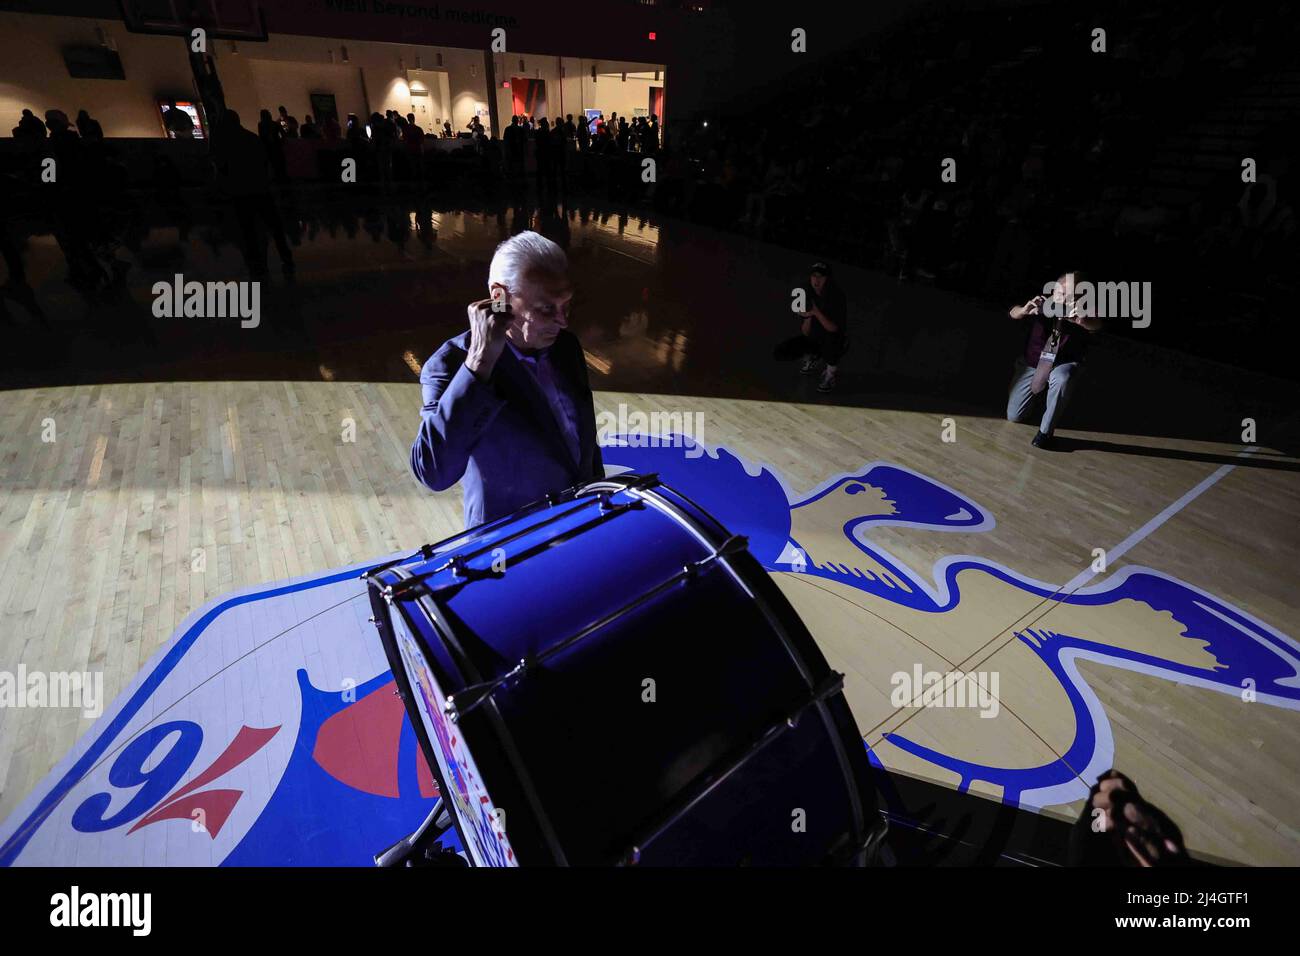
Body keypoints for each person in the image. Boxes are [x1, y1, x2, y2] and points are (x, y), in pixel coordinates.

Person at [410, 231, 603, 528]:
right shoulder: (451, 365)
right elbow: (434, 472)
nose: (563, 320)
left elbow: (582, 440)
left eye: (566, 305)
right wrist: (478, 364)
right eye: (547, 308)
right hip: (511, 543)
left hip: (580, 523)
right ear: (499, 296)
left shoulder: (565, 346)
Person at [1006, 270, 1101, 449]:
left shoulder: (1083, 309)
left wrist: (1082, 321)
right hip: (1033, 363)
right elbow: (1012, 312)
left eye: (1069, 294)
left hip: (1062, 363)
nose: (1062, 296)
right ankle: (1036, 396)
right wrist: (1024, 311)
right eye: (1060, 291)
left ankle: (1045, 433)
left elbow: (1097, 324)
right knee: (1014, 416)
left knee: (1063, 378)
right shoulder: (1041, 301)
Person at [212, 109, 295, 279]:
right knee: (275, 227)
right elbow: (265, 163)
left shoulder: (225, 144)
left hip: (241, 193)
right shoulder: (252, 138)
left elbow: (222, 168)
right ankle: (286, 257)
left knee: (248, 231)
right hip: (260, 189)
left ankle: (257, 265)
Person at [774, 262, 848, 393]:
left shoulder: (837, 297)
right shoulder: (806, 293)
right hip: (817, 335)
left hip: (835, 337)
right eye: (814, 276)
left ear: (827, 279)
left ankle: (830, 374)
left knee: (832, 342)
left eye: (821, 276)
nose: (817, 280)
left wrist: (816, 312)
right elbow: (805, 332)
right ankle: (814, 356)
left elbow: (833, 329)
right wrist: (808, 316)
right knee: (784, 350)